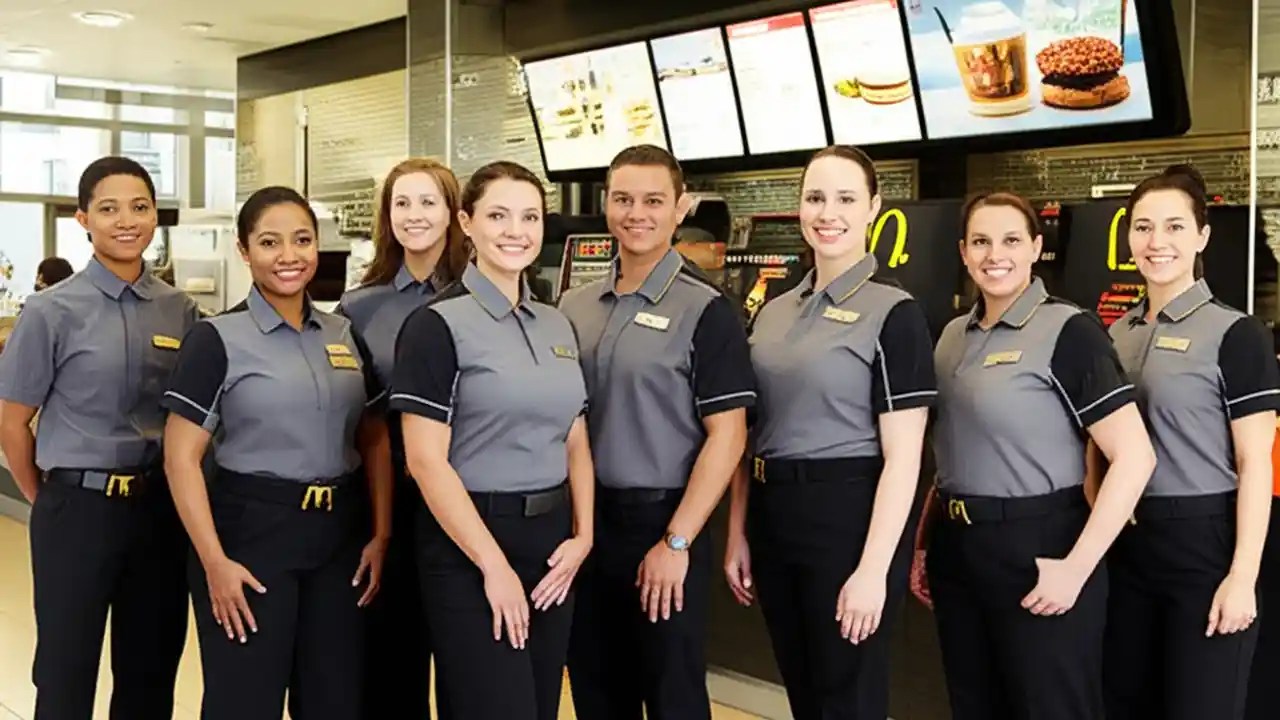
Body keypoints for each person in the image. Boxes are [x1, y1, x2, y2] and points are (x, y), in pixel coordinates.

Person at [913, 191, 1156, 720]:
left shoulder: (1069, 330)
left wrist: (1077, 568)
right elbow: (954, 446)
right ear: (962, 251)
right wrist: (925, 543)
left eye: (1010, 240)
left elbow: (1135, 458)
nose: (993, 254)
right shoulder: (953, 336)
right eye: (980, 241)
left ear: (1036, 248)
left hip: (1041, 547)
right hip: (960, 551)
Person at [160, 186, 390, 719]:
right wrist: (214, 561)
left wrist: (382, 534)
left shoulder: (343, 332)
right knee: (246, 700)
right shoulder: (217, 338)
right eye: (270, 242)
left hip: (339, 540)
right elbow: (180, 458)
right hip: (251, 536)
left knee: (333, 700)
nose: (289, 256)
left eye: (302, 240)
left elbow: (373, 435)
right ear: (245, 251)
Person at [723, 145, 935, 720]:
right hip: (774, 515)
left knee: (848, 695)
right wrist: (739, 531)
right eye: (815, 197)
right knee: (803, 689)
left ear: (874, 208)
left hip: (846, 519)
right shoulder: (773, 309)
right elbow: (750, 433)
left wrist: (872, 572)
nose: (828, 212)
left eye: (845, 198)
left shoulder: (895, 313)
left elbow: (905, 459)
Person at [389, 160, 593, 720]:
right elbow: (426, 463)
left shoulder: (555, 323)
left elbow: (574, 435)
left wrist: (583, 537)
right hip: (469, 545)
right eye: (498, 215)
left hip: (551, 545)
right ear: (467, 222)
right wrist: (493, 566)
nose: (515, 231)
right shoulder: (436, 325)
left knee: (537, 705)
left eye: (529, 217)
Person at [559, 144, 756, 720]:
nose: (636, 213)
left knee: (672, 693)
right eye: (623, 199)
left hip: (664, 523)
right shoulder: (572, 306)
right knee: (596, 688)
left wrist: (677, 543)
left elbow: (729, 437)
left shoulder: (708, 308)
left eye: (653, 200)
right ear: (606, 205)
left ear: (681, 207)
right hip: (585, 527)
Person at [0, 156, 200, 719]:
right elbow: (12, 421)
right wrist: (46, 496)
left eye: (139, 207)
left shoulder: (180, 310)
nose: (125, 220)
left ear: (154, 216)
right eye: (108, 209)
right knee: (65, 670)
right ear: (84, 219)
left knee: (151, 668)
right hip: (76, 509)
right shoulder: (50, 310)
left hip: (158, 511)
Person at [1101, 165, 1278, 720]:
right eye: (1144, 227)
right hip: (1125, 547)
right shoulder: (1115, 333)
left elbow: (1254, 465)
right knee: (1125, 703)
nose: (1157, 242)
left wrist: (1243, 576)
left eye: (1175, 227)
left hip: (1203, 546)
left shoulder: (1236, 333)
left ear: (1202, 237)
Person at [336, 157, 468, 720]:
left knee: (468, 660)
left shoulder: (486, 297)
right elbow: (353, 414)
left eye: (428, 202)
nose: (414, 215)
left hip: (470, 496)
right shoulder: (360, 308)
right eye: (401, 204)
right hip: (386, 496)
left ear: (454, 213)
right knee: (389, 661)